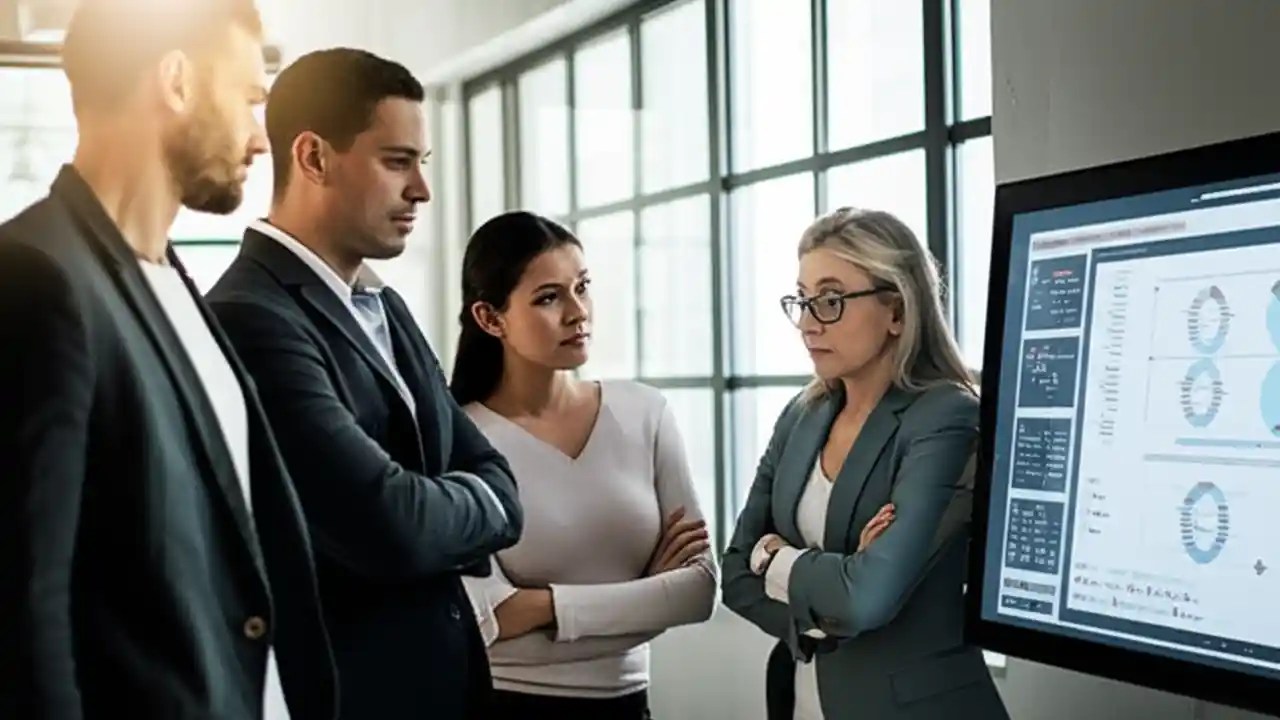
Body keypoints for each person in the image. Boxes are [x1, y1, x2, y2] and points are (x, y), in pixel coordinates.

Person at [0, 1, 337, 718]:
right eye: (248, 99)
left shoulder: (178, 284)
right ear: (177, 80)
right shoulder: (31, 278)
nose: (257, 138)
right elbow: (22, 614)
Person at [205, 48, 523, 719]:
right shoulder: (251, 317)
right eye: (397, 161)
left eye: (422, 164)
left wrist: (462, 502)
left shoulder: (388, 307)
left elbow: (500, 481)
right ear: (315, 157)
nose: (422, 191)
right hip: (352, 698)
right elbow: (388, 525)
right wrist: (476, 508)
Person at [721, 208, 1009, 720]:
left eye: (831, 301)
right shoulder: (802, 414)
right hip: (802, 700)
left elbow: (866, 599)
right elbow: (735, 578)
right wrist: (835, 587)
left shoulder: (947, 417)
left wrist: (775, 560)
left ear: (897, 310)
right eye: (803, 301)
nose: (808, 323)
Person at [451, 211, 717, 719]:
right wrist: (643, 597)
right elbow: (487, 619)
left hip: (631, 706)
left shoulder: (645, 412)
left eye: (583, 287)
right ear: (491, 318)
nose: (578, 313)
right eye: (549, 297)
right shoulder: (458, 440)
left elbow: (697, 590)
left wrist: (543, 608)